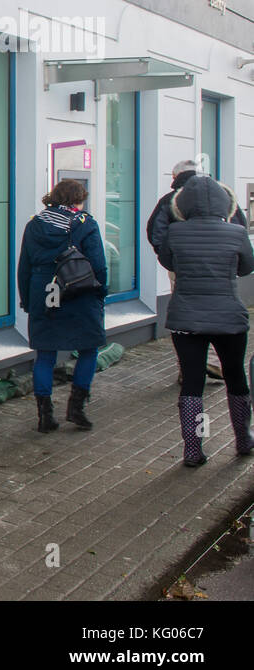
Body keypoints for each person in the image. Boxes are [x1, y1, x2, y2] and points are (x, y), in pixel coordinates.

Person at [157, 174, 254, 467]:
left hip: (187, 318)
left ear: (182, 205)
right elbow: (247, 267)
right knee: (236, 377)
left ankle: (193, 449)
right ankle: (243, 438)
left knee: (192, 383)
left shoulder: (175, 233)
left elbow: (168, 261)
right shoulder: (236, 233)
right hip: (229, 317)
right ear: (226, 204)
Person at [18, 179, 108, 433]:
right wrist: (101, 291)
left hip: (44, 293)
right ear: (78, 200)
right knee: (89, 349)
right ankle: (76, 408)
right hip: (80, 293)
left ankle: (45, 415)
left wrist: (27, 298)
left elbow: (24, 266)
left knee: (45, 354)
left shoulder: (35, 224)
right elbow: (99, 264)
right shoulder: (85, 223)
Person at [149, 159, 248, 383]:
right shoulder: (223, 197)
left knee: (187, 315)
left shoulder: (169, 201)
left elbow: (156, 233)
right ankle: (213, 362)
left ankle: (189, 369)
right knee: (221, 311)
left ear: (176, 177)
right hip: (223, 272)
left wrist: (174, 260)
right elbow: (241, 231)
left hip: (183, 270)